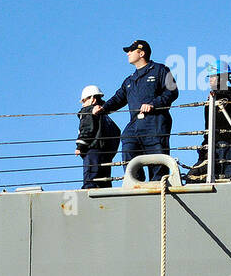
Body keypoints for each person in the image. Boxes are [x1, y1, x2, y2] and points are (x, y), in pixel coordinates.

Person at [91, 40, 179, 182]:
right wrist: (103, 108)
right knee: (128, 145)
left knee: (157, 164)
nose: (128, 53)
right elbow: (118, 98)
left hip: (155, 124)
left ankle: (158, 187)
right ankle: (136, 184)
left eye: (131, 50)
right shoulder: (129, 80)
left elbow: (172, 92)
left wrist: (153, 104)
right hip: (135, 125)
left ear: (141, 53)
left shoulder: (161, 70)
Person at [75, 85, 120, 188]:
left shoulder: (88, 111)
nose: (83, 104)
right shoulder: (107, 119)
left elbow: (86, 129)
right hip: (107, 154)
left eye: (84, 101)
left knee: (91, 179)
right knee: (105, 180)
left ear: (92, 99)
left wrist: (80, 147)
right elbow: (117, 133)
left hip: (93, 151)